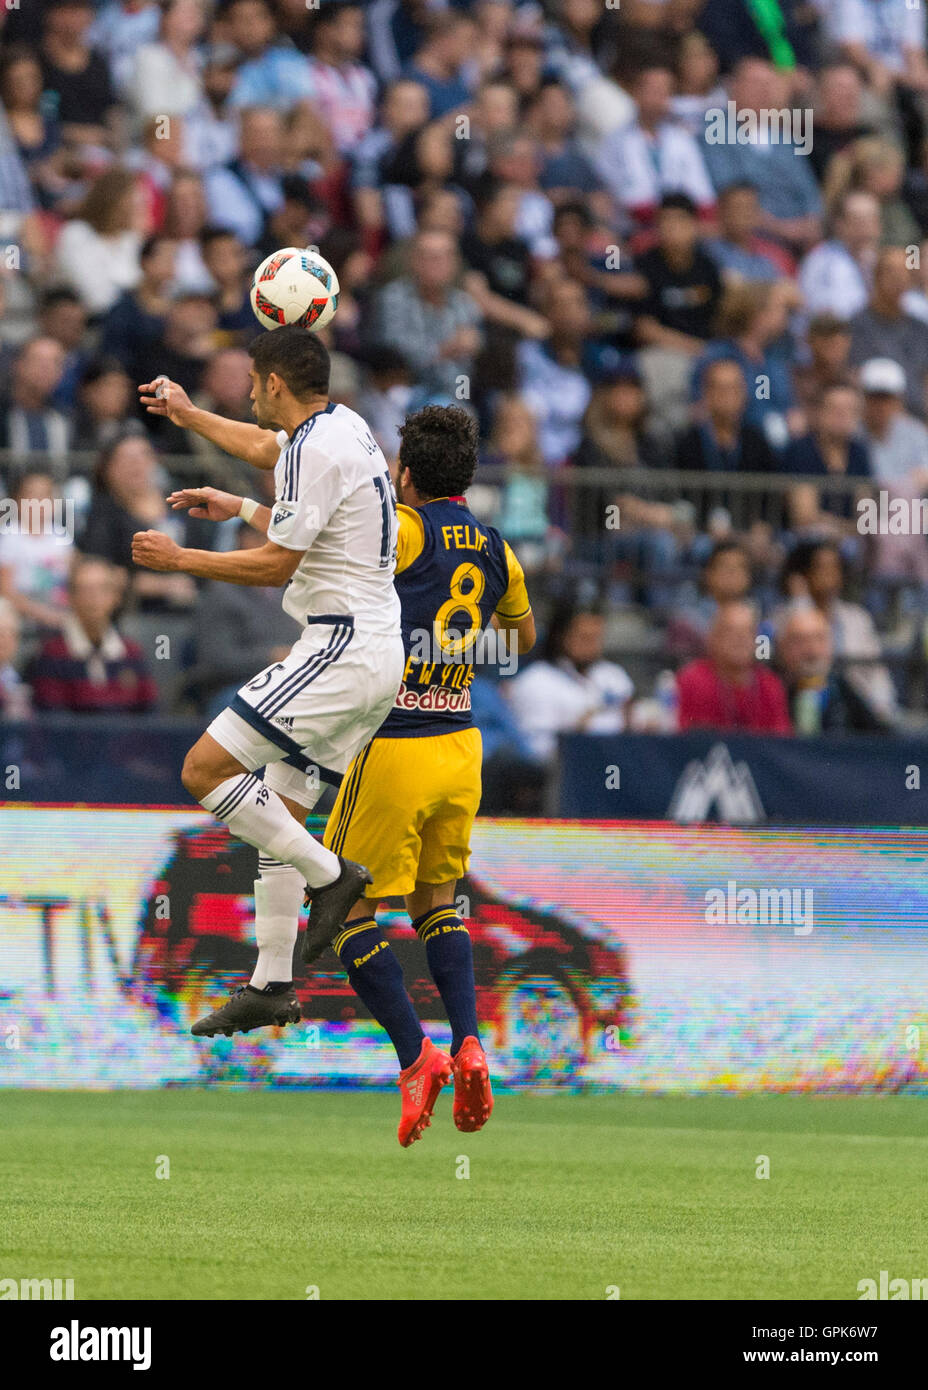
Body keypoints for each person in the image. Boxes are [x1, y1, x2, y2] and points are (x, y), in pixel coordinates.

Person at [131, 326, 406, 1058]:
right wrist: (196, 428)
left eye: (255, 382)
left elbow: (281, 565)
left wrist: (179, 558)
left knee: (203, 770)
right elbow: (270, 458)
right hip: (377, 651)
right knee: (272, 812)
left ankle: (332, 874)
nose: (250, 394)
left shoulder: (317, 444)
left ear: (275, 384)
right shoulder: (343, 428)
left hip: (340, 644)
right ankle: (272, 982)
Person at [318, 405, 534, 1144]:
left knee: (343, 908)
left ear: (406, 474)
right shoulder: (499, 548)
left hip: (395, 742)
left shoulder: (406, 528)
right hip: (460, 744)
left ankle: (418, 1056)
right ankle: (471, 1039)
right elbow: (522, 635)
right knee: (438, 904)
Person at [505, 603, 633, 763]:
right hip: (564, 777)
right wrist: (575, 735)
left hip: (618, 770)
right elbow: (535, 753)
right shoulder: (535, 681)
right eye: (584, 637)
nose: (591, 646)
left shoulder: (613, 675)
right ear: (561, 636)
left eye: (596, 637)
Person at [28, 556, 157, 713]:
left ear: (116, 596)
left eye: (102, 589)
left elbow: (151, 717)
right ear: (70, 597)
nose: (94, 598)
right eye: (85, 589)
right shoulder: (52, 653)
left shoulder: (132, 652)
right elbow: (53, 722)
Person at [676, 601, 792, 734]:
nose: (740, 639)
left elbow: (782, 743)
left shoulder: (770, 685)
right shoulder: (690, 680)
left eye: (747, 632)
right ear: (713, 639)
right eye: (730, 631)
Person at [776, 604, 892, 734]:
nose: (812, 650)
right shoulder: (770, 693)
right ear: (782, 647)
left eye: (820, 639)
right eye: (800, 641)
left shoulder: (845, 692)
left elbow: (881, 735)